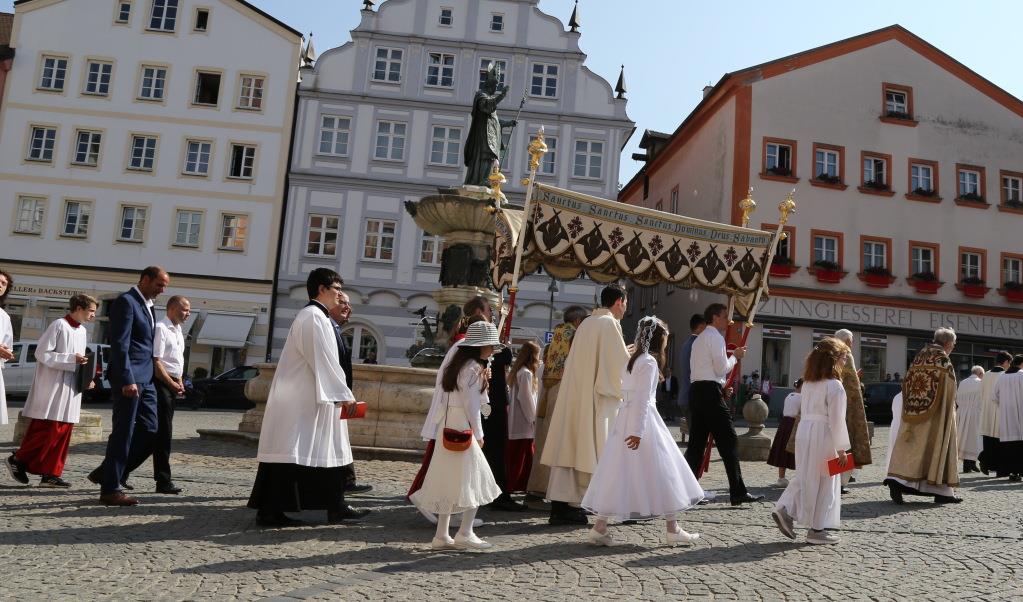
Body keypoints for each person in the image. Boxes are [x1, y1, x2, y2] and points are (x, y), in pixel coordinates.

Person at [247, 268, 368, 527]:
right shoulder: (313, 317)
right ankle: (271, 512)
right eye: (336, 288)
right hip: (300, 401)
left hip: (311, 398)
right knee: (289, 455)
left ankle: (335, 505)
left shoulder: (317, 317)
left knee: (317, 452)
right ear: (321, 289)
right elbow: (323, 360)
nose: (340, 294)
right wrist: (344, 395)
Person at [582, 316, 703, 546]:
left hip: (625, 419)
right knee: (664, 470)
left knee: (617, 470)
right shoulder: (648, 362)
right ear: (660, 339)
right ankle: (672, 528)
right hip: (642, 422)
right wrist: (637, 431)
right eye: (666, 337)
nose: (667, 341)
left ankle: (600, 526)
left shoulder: (631, 360)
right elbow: (643, 400)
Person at [541, 284, 630, 525]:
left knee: (569, 449)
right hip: (595, 400)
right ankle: (587, 504)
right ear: (620, 301)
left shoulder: (587, 323)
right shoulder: (610, 324)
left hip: (575, 397)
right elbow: (617, 367)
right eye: (626, 302)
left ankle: (562, 507)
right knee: (588, 450)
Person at [410, 320, 503, 549]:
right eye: (490, 345)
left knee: (448, 480)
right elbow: (473, 406)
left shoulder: (459, 364)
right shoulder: (473, 368)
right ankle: (465, 532)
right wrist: (479, 434)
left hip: (447, 424)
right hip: (462, 425)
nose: (492, 349)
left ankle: (442, 534)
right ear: (481, 345)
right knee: (476, 477)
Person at [93, 266, 169, 506]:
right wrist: (127, 378)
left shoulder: (148, 304)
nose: (161, 290)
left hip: (146, 379)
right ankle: (110, 488)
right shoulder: (127, 301)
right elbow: (120, 343)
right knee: (123, 433)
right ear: (145, 280)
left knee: (150, 428)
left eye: (164, 286)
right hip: (130, 379)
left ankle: (107, 472)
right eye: (159, 285)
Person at [5, 294, 98, 487]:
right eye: (91, 311)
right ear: (79, 308)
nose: (93, 316)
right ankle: (18, 459)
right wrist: (71, 359)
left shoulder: (81, 331)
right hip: (53, 386)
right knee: (47, 430)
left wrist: (86, 379)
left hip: (70, 387)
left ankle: (51, 474)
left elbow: (80, 360)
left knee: (63, 432)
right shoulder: (58, 325)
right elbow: (42, 353)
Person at [771, 337, 851, 545]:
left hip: (805, 432)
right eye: (843, 357)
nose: (845, 361)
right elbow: (837, 419)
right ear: (833, 360)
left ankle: (786, 509)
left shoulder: (808, 383)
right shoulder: (835, 386)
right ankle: (816, 528)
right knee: (826, 480)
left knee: (806, 475)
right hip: (824, 433)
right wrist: (842, 449)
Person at [684, 302, 763, 506]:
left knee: (696, 445)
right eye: (724, 316)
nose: (728, 320)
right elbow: (721, 369)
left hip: (697, 391)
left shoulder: (700, 339)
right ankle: (737, 491)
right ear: (715, 317)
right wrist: (735, 357)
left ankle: (685, 491)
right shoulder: (715, 338)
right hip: (710, 392)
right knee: (729, 440)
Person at [118, 295, 190, 495]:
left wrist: (180, 381)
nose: (188, 313)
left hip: (172, 383)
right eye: (185, 309)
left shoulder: (178, 330)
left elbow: (177, 361)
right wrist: (171, 384)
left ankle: (115, 471)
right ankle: (163, 481)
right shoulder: (160, 328)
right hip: (160, 384)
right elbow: (157, 362)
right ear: (173, 309)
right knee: (161, 435)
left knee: (157, 436)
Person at [885, 327, 961, 504]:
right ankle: (942, 492)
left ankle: (897, 481)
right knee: (933, 451)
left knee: (911, 450)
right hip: (935, 416)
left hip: (911, 411)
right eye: (954, 345)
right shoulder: (943, 361)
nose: (953, 348)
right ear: (948, 344)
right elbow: (950, 391)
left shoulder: (919, 357)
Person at [526, 305, 586, 498]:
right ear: (577, 321)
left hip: (547, 392)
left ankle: (538, 485)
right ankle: (557, 491)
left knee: (544, 441)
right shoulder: (576, 336)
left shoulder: (557, 334)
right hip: (563, 391)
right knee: (560, 442)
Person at [328, 291, 373, 495]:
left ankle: (347, 480)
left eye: (349, 304)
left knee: (340, 441)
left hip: (339, 397)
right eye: (343, 303)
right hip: (332, 399)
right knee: (336, 443)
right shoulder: (327, 328)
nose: (348, 307)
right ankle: (343, 483)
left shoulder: (336, 329)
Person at [833, 330, 872, 492]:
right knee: (847, 443)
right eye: (852, 340)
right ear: (848, 341)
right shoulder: (846, 354)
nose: (852, 343)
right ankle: (840, 483)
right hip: (847, 408)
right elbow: (851, 384)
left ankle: (833, 481)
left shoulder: (829, 353)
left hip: (831, 405)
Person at [506, 341, 540, 495]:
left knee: (519, 457)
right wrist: (533, 418)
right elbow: (526, 398)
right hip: (524, 422)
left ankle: (516, 485)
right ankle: (516, 485)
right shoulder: (526, 373)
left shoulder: (519, 371)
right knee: (522, 458)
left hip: (519, 420)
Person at [979, 351, 1012, 476]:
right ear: (1006, 362)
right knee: (1000, 442)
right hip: (999, 411)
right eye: (1009, 363)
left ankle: (986, 463)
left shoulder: (986, 375)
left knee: (988, 441)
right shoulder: (1004, 375)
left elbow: (981, 394)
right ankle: (1000, 469)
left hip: (986, 411)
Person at [992, 354, 1023, 481]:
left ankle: (1012, 472)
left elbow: (994, 396)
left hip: (1006, 416)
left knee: (1009, 445)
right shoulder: (1022, 375)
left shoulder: (1002, 376)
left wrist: (1005, 404)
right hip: (1020, 414)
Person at [768, 378, 803, 487]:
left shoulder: (789, 396)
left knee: (782, 449)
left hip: (784, 423)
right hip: (795, 424)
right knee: (798, 450)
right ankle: (800, 476)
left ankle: (781, 478)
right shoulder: (803, 398)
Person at [677, 314, 706, 439]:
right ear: (700, 328)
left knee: (696, 439)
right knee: (697, 439)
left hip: (685, 396)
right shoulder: (697, 345)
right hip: (693, 398)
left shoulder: (686, 344)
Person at [956, 366, 986, 473]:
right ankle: (970, 463)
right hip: (975, 412)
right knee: (973, 438)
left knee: (964, 438)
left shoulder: (962, 382)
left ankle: (967, 464)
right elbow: (983, 399)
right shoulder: (980, 383)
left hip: (962, 412)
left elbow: (957, 398)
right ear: (980, 374)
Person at [0, 268, 13, 427]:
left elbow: (7, 345)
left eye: (4, 283)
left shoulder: (4, 316)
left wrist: (6, 352)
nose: (1, 285)